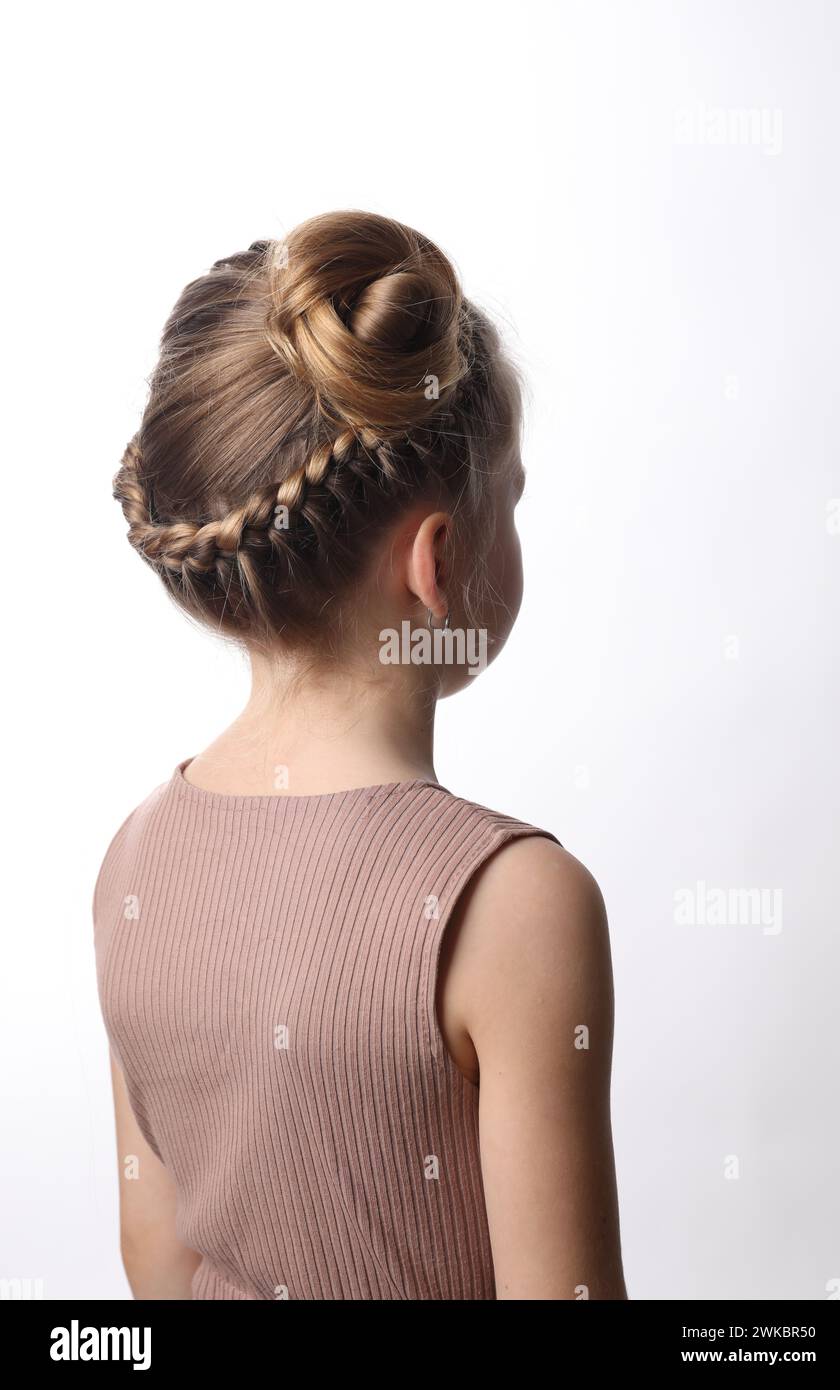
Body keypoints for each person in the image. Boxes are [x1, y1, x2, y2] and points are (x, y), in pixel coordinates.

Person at [93, 210, 626, 1300]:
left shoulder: (133, 863)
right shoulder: (515, 902)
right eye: (507, 498)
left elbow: (156, 1258)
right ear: (438, 561)